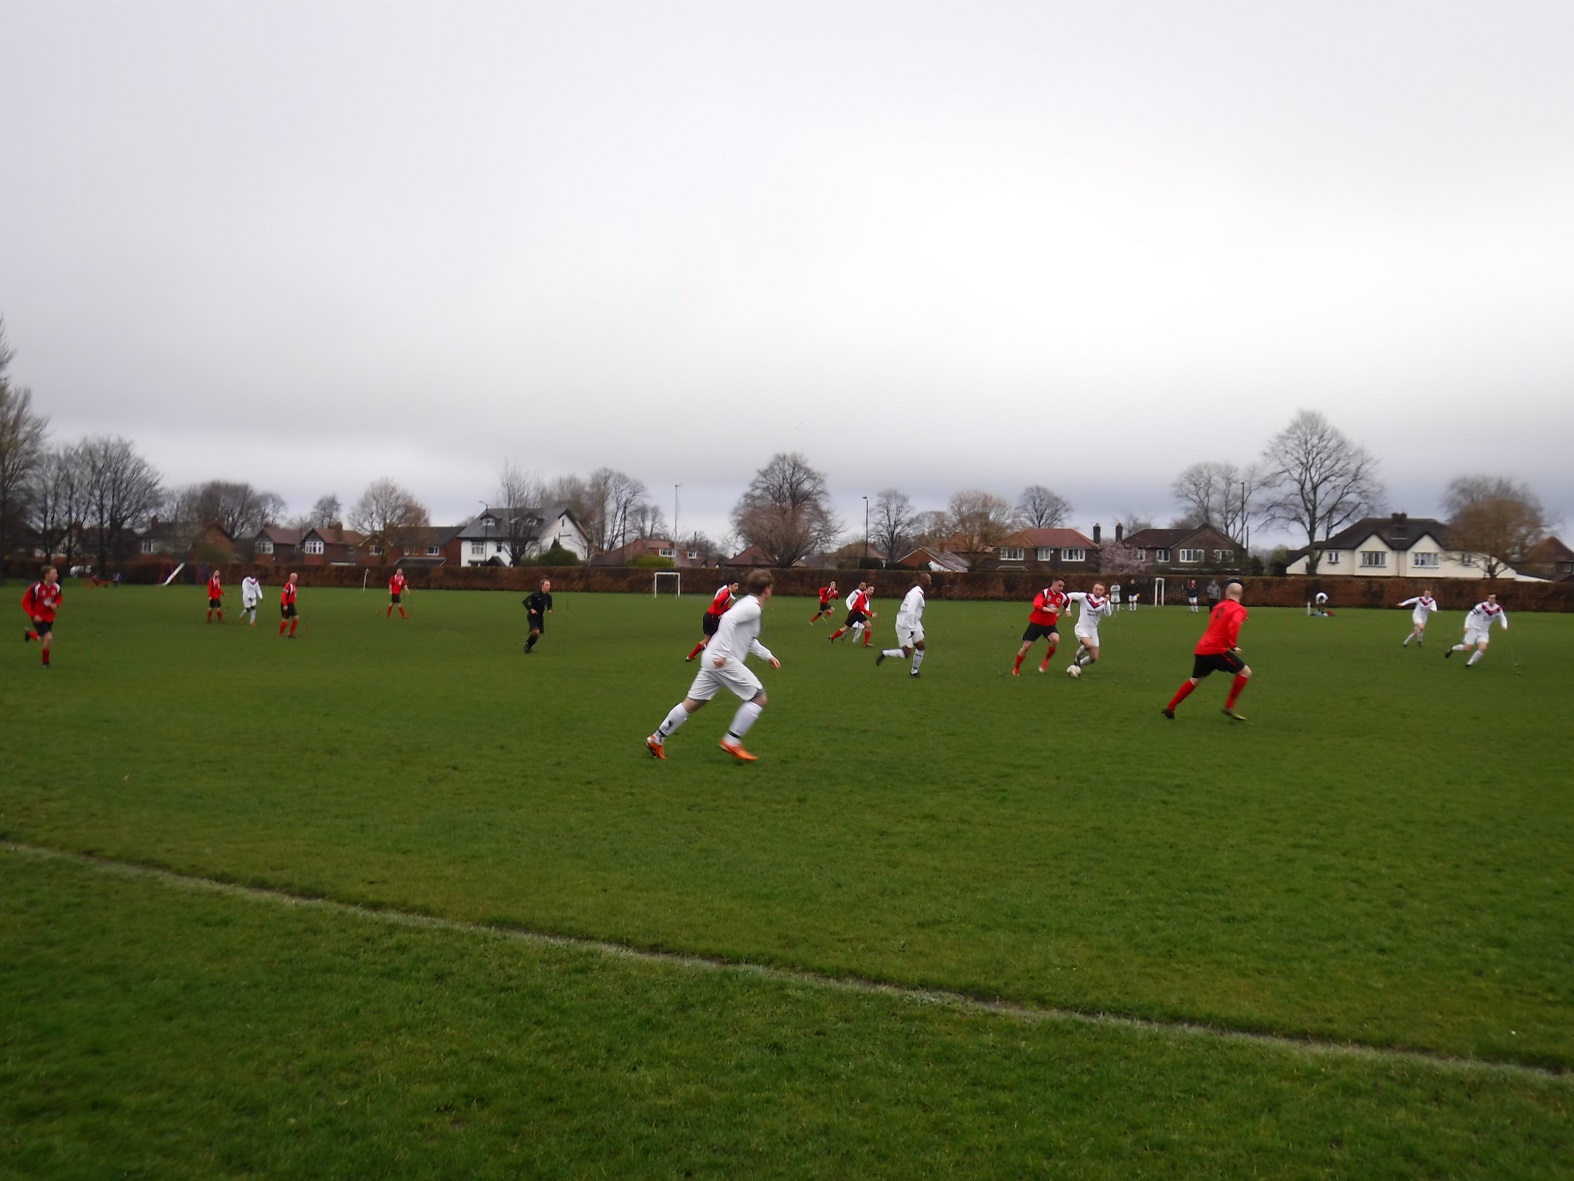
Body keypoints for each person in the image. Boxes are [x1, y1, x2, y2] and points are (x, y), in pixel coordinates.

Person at [647, 568, 779, 762]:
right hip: (722, 660)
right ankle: (732, 740)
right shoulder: (752, 607)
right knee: (759, 698)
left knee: (692, 703)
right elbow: (727, 619)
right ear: (767, 589)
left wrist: (767, 655)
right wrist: (725, 654)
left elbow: (747, 638)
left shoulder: (748, 604)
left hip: (712, 659)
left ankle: (656, 738)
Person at [1163, 578, 1251, 721]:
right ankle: (1229, 706)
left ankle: (1170, 707)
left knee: (1195, 680)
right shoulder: (1239, 609)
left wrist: (1241, 616)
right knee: (1245, 672)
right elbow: (1233, 624)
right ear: (1241, 594)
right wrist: (1233, 645)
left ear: (1226, 593)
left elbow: (1222, 620)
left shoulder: (1219, 606)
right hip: (1216, 649)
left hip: (1202, 647)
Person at [876, 572, 930, 676]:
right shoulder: (916, 594)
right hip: (904, 625)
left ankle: (914, 672)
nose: (930, 583)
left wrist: (919, 627)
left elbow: (915, 614)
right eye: (929, 580)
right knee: (907, 653)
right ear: (924, 581)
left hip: (912, 623)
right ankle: (885, 653)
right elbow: (910, 611)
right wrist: (911, 629)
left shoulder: (919, 592)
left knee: (921, 646)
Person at [1011, 578, 1068, 676]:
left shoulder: (1063, 597)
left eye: (1063, 586)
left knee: (1055, 640)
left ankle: (1045, 661)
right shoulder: (1044, 593)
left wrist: (1059, 615)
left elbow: (1067, 605)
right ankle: (1016, 667)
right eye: (1060, 585)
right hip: (1036, 624)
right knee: (1026, 647)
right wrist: (1049, 610)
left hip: (1049, 625)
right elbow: (1036, 604)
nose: (1061, 588)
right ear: (1053, 584)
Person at [1064, 583, 1114, 677]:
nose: (1098, 591)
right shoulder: (1085, 597)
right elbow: (1069, 595)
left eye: (1100, 590)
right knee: (1088, 644)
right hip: (1081, 628)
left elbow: (1108, 614)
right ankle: (1077, 655)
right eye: (1096, 589)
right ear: (1093, 589)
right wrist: (1067, 609)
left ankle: (1078, 665)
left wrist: (1106, 603)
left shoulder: (1104, 601)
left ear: (1103, 591)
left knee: (1094, 658)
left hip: (1093, 631)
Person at [1446, 593, 1508, 667]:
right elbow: (1470, 615)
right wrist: (1466, 626)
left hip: (1484, 632)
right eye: (1489, 598)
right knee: (1466, 649)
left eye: (1493, 598)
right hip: (1473, 629)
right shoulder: (1481, 606)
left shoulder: (1498, 609)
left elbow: (1502, 617)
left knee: (1483, 648)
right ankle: (1453, 648)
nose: (1491, 599)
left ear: (1495, 600)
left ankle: (1469, 663)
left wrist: (1504, 625)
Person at [21, 566, 63, 669]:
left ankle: (30, 634)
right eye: (54, 573)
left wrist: (56, 604)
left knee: (43, 639)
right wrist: (33, 615)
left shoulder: (56, 587)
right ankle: (46, 663)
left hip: (50, 617)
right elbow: (24, 602)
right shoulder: (36, 588)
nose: (56, 576)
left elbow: (59, 597)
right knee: (49, 638)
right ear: (46, 575)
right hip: (38, 618)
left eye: (56, 573)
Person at [686, 580, 739, 661]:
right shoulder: (726, 593)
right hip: (712, 617)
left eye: (737, 586)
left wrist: (729, 612)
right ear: (729, 585)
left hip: (708, 616)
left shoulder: (727, 593)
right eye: (735, 585)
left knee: (708, 639)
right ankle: (714, 655)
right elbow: (717, 601)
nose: (737, 588)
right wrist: (719, 614)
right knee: (719, 637)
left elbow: (726, 606)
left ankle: (690, 656)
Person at [523, 578, 553, 652]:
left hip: (540, 617)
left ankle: (528, 647)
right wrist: (531, 609)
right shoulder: (535, 595)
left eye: (549, 585)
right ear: (542, 586)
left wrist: (549, 609)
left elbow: (549, 604)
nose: (548, 586)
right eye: (546, 585)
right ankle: (527, 644)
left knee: (537, 635)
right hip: (532, 616)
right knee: (535, 632)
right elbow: (524, 602)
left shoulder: (549, 597)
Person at [278, 572, 300, 638]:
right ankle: (285, 634)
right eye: (294, 578)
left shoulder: (293, 586)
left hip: (291, 605)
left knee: (292, 619)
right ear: (291, 578)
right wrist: (285, 605)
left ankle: (289, 634)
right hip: (287, 604)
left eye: (296, 578)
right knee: (290, 619)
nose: (295, 579)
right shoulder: (288, 586)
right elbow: (283, 595)